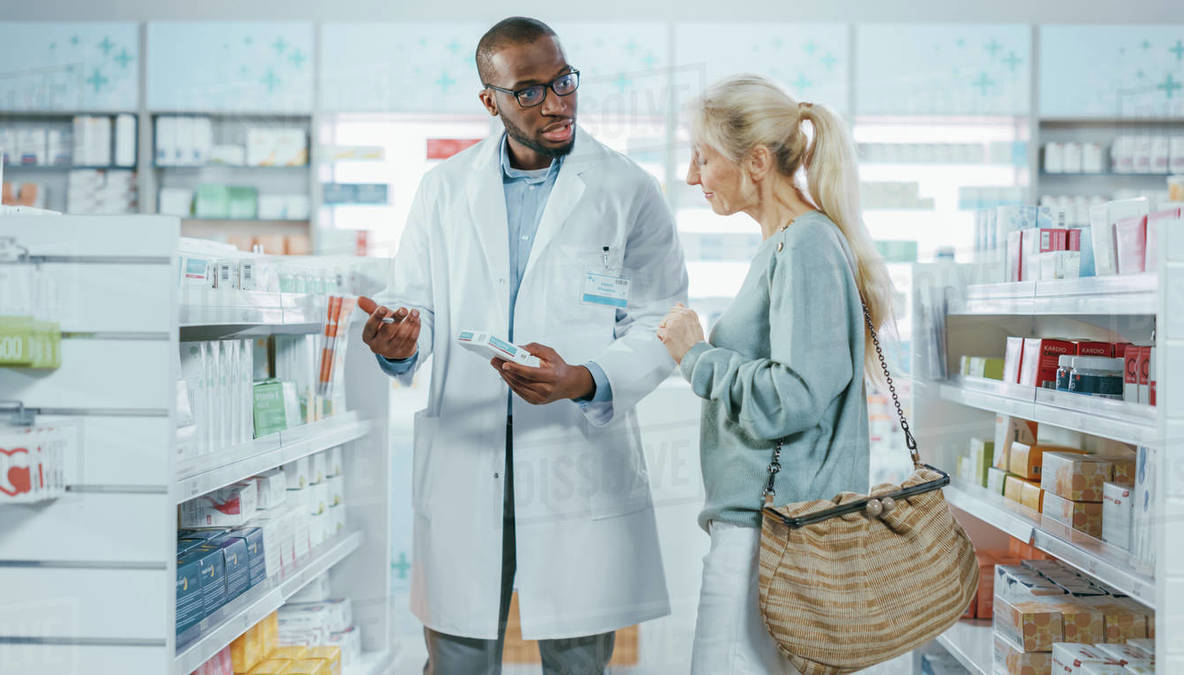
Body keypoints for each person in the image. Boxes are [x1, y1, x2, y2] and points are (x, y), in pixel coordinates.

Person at [357, 17, 687, 675]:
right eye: (529, 91)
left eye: (563, 80)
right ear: (492, 101)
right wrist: (399, 341)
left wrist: (585, 376)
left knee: (576, 659)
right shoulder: (443, 190)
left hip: (573, 458)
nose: (556, 101)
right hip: (467, 454)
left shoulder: (626, 190)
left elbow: (663, 321)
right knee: (457, 659)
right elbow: (414, 305)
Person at [656, 75, 893, 675]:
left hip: (771, 535)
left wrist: (696, 356)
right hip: (769, 531)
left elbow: (795, 395)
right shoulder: (790, 245)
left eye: (702, 158)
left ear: (756, 161)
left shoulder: (806, 246)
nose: (692, 176)